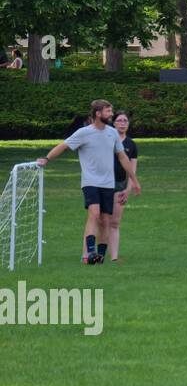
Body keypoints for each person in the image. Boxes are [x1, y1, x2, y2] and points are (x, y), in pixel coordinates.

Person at [36, 99, 141, 263]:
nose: (111, 114)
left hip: (108, 183)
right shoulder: (84, 133)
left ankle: (100, 256)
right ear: (98, 114)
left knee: (106, 220)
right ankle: (90, 252)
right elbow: (63, 146)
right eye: (108, 111)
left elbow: (122, 157)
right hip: (90, 182)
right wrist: (46, 158)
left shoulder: (112, 133)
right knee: (94, 213)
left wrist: (134, 180)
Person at [105, 112, 139, 262]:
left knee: (114, 222)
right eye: (119, 120)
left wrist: (128, 189)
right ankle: (89, 255)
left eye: (125, 121)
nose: (123, 123)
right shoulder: (106, 140)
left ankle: (114, 258)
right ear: (114, 123)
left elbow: (133, 170)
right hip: (102, 184)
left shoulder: (131, 145)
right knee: (99, 220)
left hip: (120, 186)